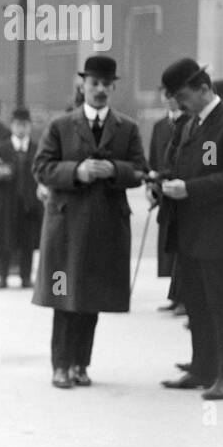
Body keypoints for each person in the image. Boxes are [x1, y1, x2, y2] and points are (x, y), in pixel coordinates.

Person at [32, 55, 147, 389]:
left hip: (106, 226)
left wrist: (116, 171)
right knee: (64, 296)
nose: (99, 90)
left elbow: (140, 169)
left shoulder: (126, 128)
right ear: (82, 85)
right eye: (93, 83)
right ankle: (61, 364)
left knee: (92, 298)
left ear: (113, 88)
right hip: (66, 226)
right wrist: (77, 172)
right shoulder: (61, 126)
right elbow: (41, 168)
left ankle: (81, 363)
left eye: (105, 85)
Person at [156, 59, 223, 400]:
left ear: (203, 88)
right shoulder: (190, 124)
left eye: (182, 94)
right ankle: (202, 368)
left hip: (221, 232)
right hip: (191, 229)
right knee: (197, 303)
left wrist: (190, 190)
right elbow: (183, 166)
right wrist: (164, 183)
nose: (178, 102)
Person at [0, 108, 42, 289]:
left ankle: (25, 276)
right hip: (6, 203)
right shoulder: (1, 148)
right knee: (4, 239)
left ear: (29, 127)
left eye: (24, 125)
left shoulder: (36, 149)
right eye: (18, 125)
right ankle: (2, 276)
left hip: (28, 204)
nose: (21, 129)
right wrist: (0, 172)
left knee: (27, 241)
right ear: (12, 126)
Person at [148, 91, 187, 313]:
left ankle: (184, 297)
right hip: (164, 192)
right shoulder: (159, 126)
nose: (170, 99)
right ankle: (175, 294)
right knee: (169, 244)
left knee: (182, 243)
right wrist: (152, 185)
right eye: (167, 94)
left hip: (181, 190)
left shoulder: (189, 122)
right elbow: (154, 158)